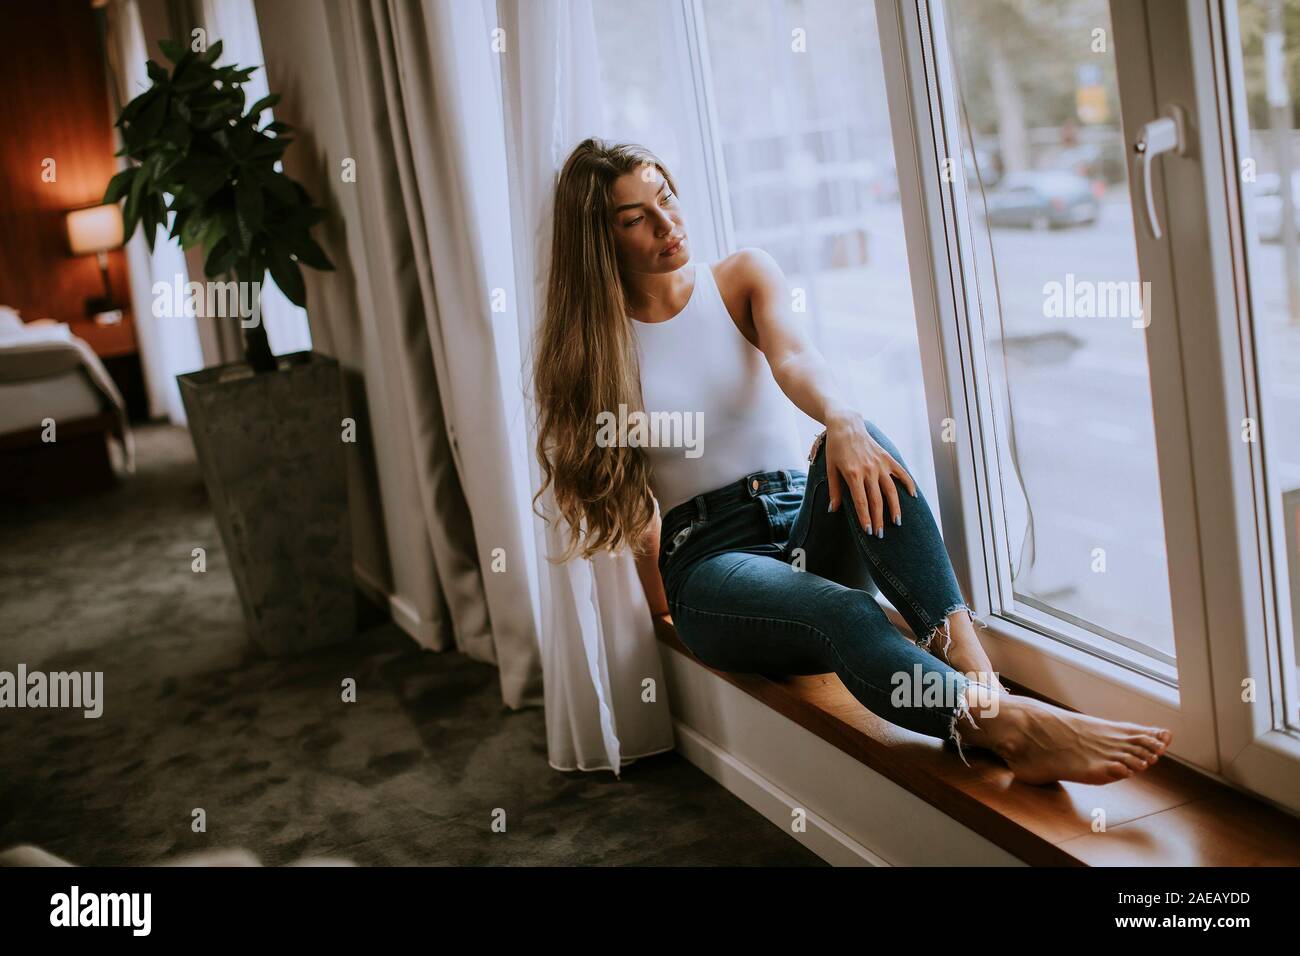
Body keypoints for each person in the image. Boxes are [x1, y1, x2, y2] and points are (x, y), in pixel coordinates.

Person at [530, 138, 1170, 785]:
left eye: (664, 198)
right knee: (849, 613)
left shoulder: (741, 277)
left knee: (867, 440)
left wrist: (840, 419)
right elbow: (623, 501)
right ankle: (1010, 728)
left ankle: (979, 679)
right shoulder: (596, 346)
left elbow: (795, 358)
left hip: (797, 522)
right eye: (635, 218)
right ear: (599, 239)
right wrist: (662, 612)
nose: (667, 224)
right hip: (711, 564)